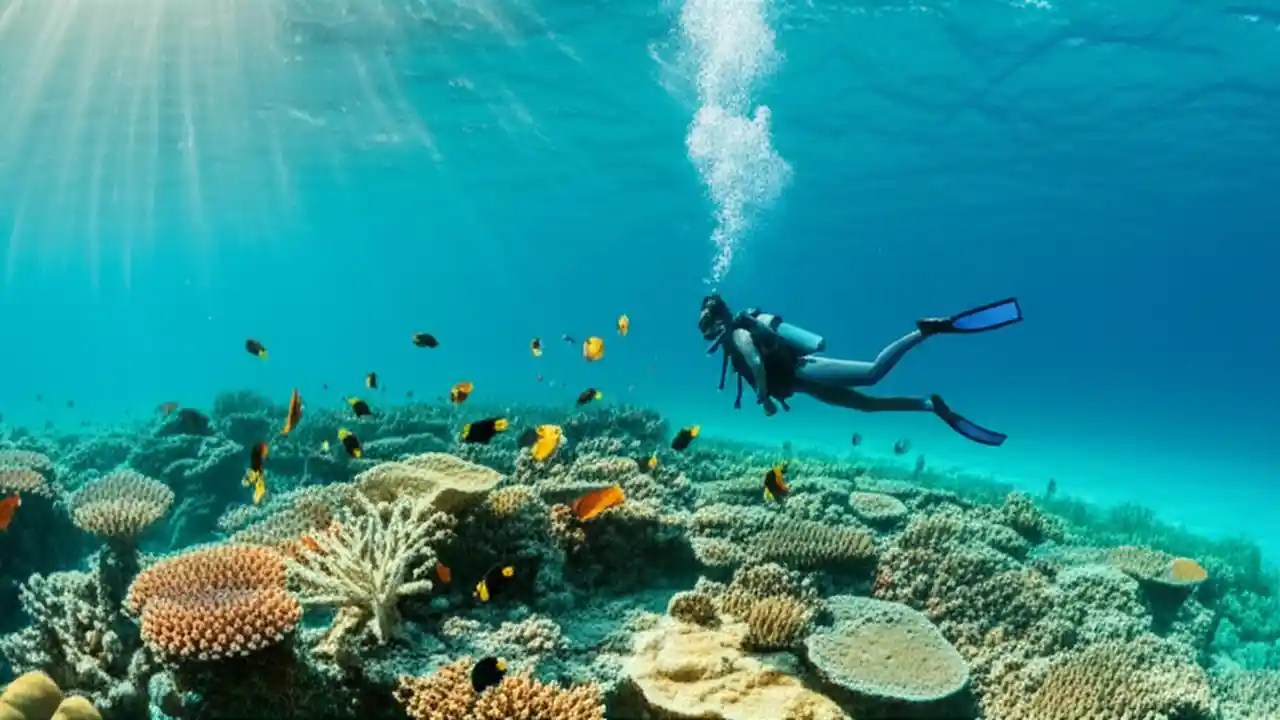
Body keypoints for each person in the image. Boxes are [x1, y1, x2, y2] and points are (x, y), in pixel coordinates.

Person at [697, 293, 1022, 446]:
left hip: (805, 370)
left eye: (708, 326)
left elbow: (755, 363)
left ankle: (925, 331)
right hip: (804, 384)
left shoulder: (738, 334)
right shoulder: (731, 338)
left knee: (873, 373)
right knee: (867, 406)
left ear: (718, 320)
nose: (708, 333)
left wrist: (763, 399)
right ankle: (929, 406)